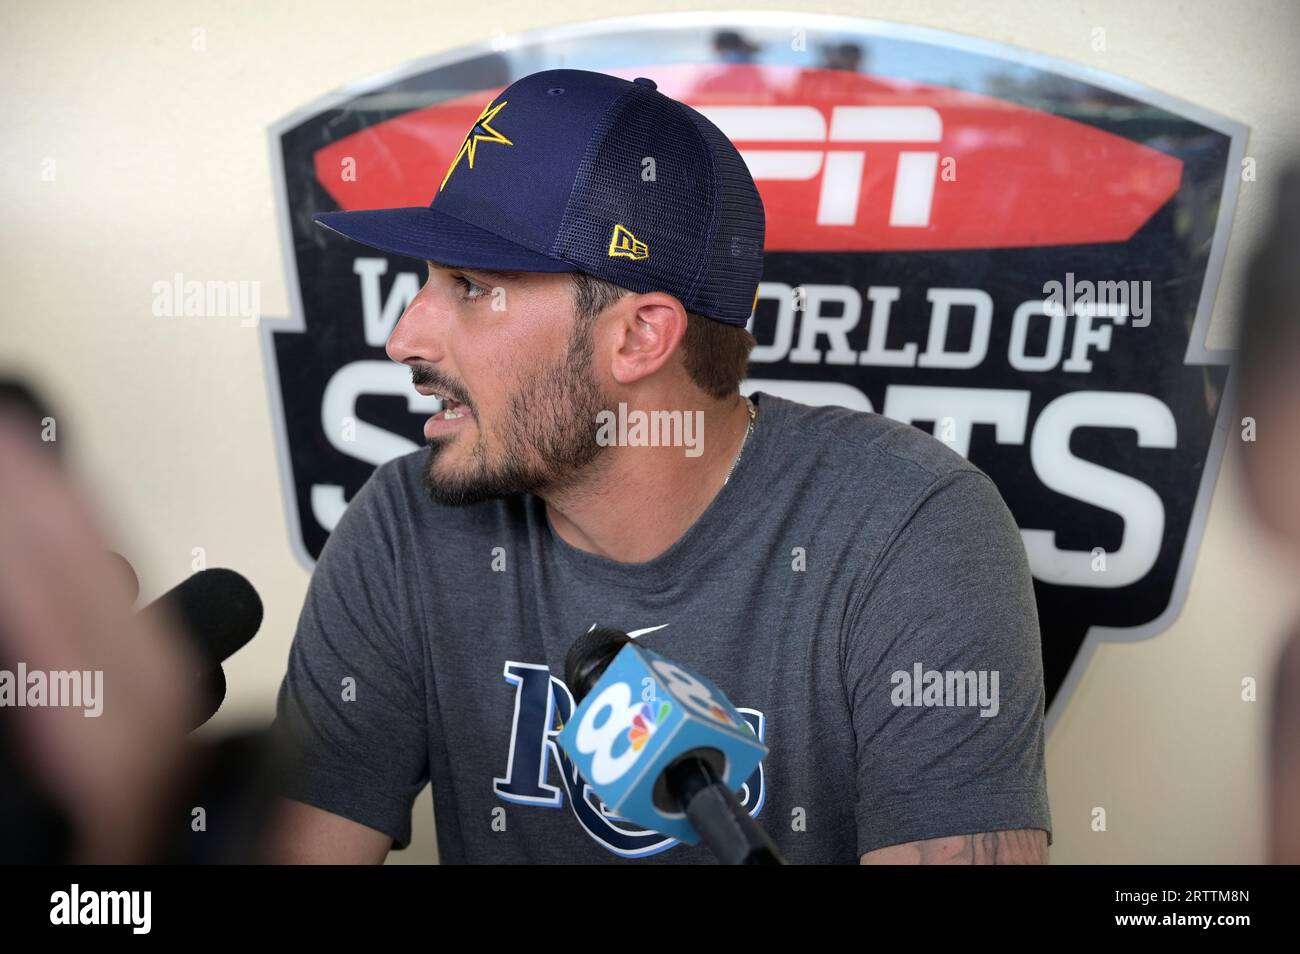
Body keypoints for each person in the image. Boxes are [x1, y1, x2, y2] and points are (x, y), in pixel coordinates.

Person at [267, 68, 1051, 864]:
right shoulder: (407, 526)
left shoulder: (909, 529)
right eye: (426, 282)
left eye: (471, 287)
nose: (405, 338)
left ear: (640, 337)